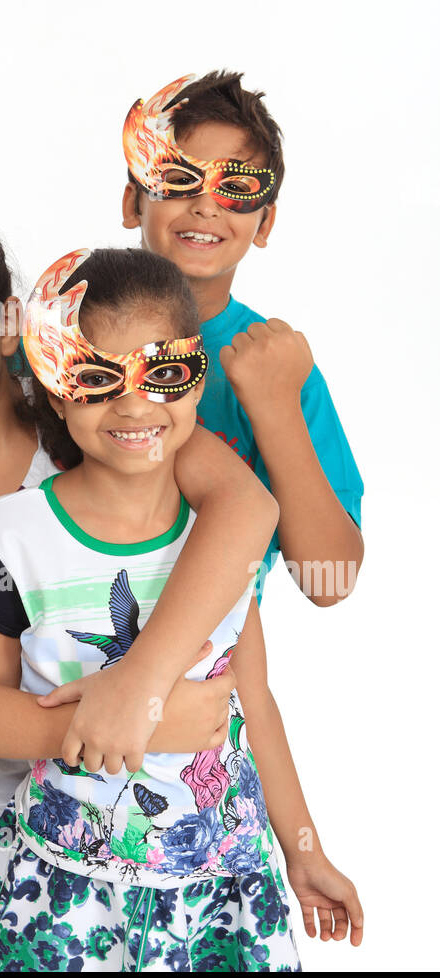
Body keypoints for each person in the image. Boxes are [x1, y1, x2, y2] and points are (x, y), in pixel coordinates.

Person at [0, 204, 281, 969]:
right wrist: (145, 721)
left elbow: (248, 507)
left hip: (140, 831)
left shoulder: (101, 415)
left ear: (8, 326)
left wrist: (142, 682)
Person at [0, 246, 361, 970]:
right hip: (60, 888)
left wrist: (305, 850)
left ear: (196, 383)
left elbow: (253, 701)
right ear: (56, 388)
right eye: (99, 381)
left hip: (220, 888)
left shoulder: (216, 549)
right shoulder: (15, 539)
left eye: (163, 376)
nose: (134, 404)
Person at [121, 71, 364, 607]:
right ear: (132, 201)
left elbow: (330, 579)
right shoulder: (64, 328)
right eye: (177, 177)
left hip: (215, 659)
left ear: (264, 221)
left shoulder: (278, 367)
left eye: (235, 188)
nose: (206, 205)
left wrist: (275, 408)